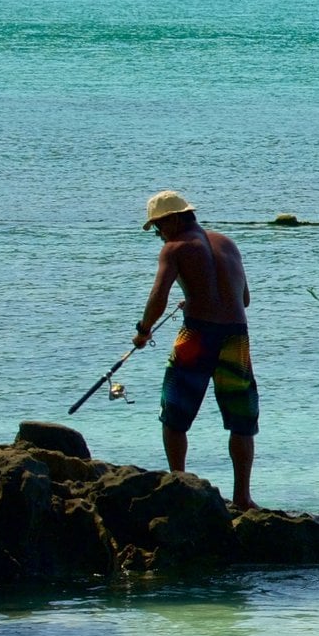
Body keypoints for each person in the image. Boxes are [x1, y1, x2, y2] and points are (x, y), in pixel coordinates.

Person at [133, 190, 259, 508]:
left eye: (159, 228)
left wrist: (144, 331)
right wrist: (197, 297)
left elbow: (158, 295)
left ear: (173, 220)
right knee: (241, 419)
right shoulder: (227, 243)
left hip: (197, 336)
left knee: (175, 414)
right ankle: (243, 497)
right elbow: (243, 300)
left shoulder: (175, 248)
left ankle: (180, 485)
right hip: (236, 337)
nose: (159, 236)